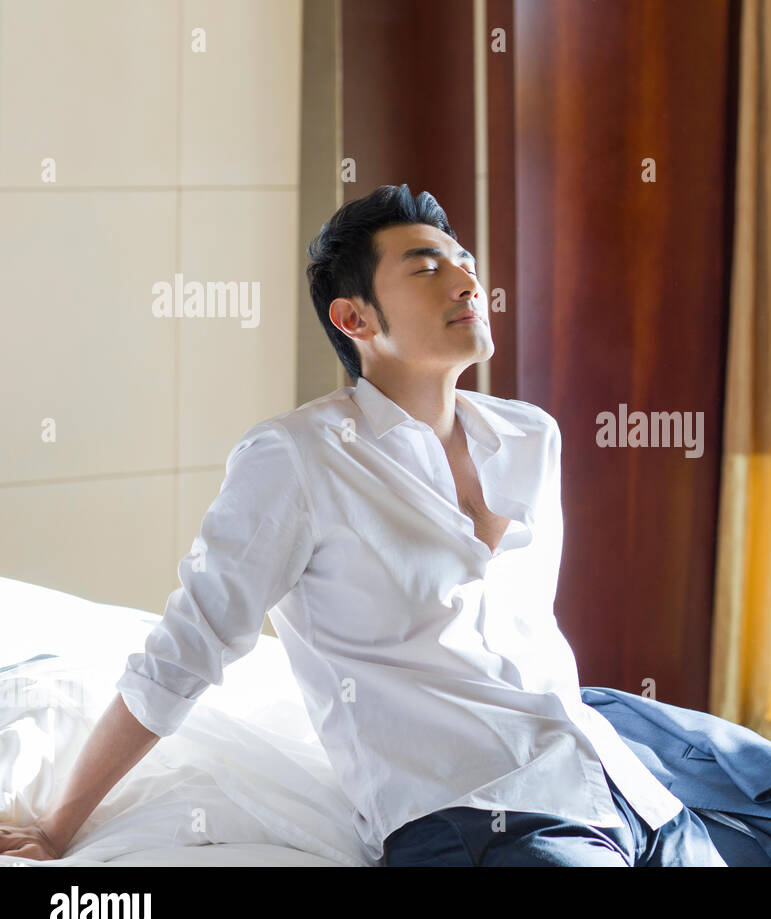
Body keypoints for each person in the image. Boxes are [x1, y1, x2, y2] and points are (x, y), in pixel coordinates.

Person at [0, 184, 725, 867]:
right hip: (470, 813)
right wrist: (59, 822)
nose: (467, 282)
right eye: (427, 268)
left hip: (614, 783)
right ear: (355, 319)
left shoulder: (531, 437)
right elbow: (185, 650)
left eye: (465, 262)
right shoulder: (297, 458)